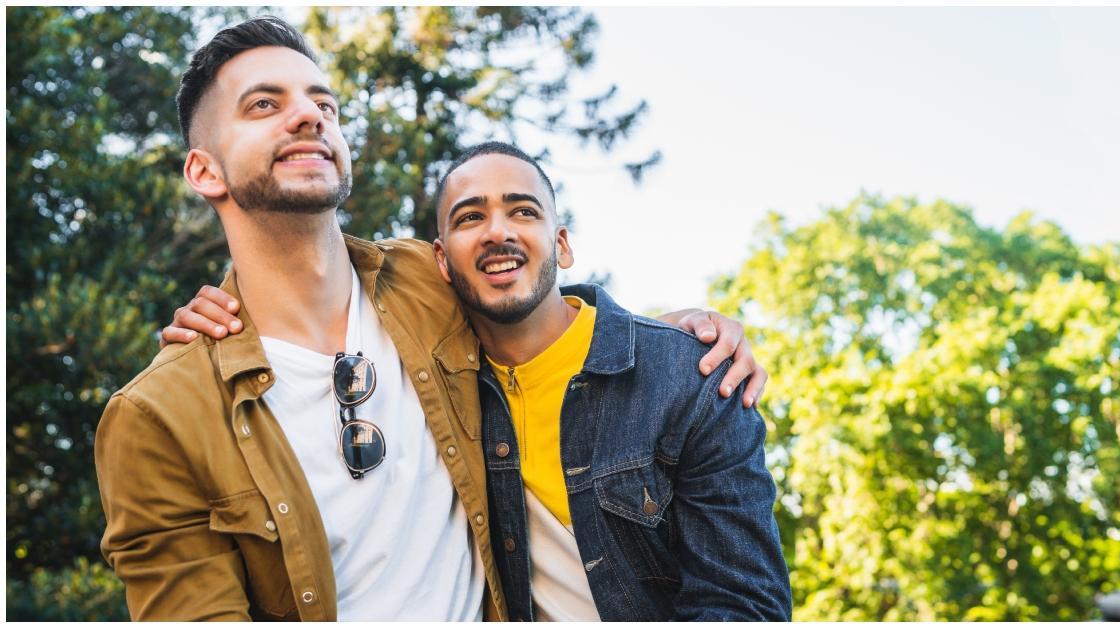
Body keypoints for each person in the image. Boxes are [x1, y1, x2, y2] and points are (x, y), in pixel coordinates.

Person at [97, 16, 764, 622]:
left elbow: (541, 305)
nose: (308, 116)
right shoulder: (160, 418)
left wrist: (678, 333)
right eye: (265, 105)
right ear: (204, 170)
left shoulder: (426, 282)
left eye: (323, 103)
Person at [432, 142, 791, 620]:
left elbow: (744, 604)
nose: (498, 231)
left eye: (522, 211)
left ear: (561, 245)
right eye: (470, 218)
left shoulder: (690, 377)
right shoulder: (435, 391)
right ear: (440, 260)